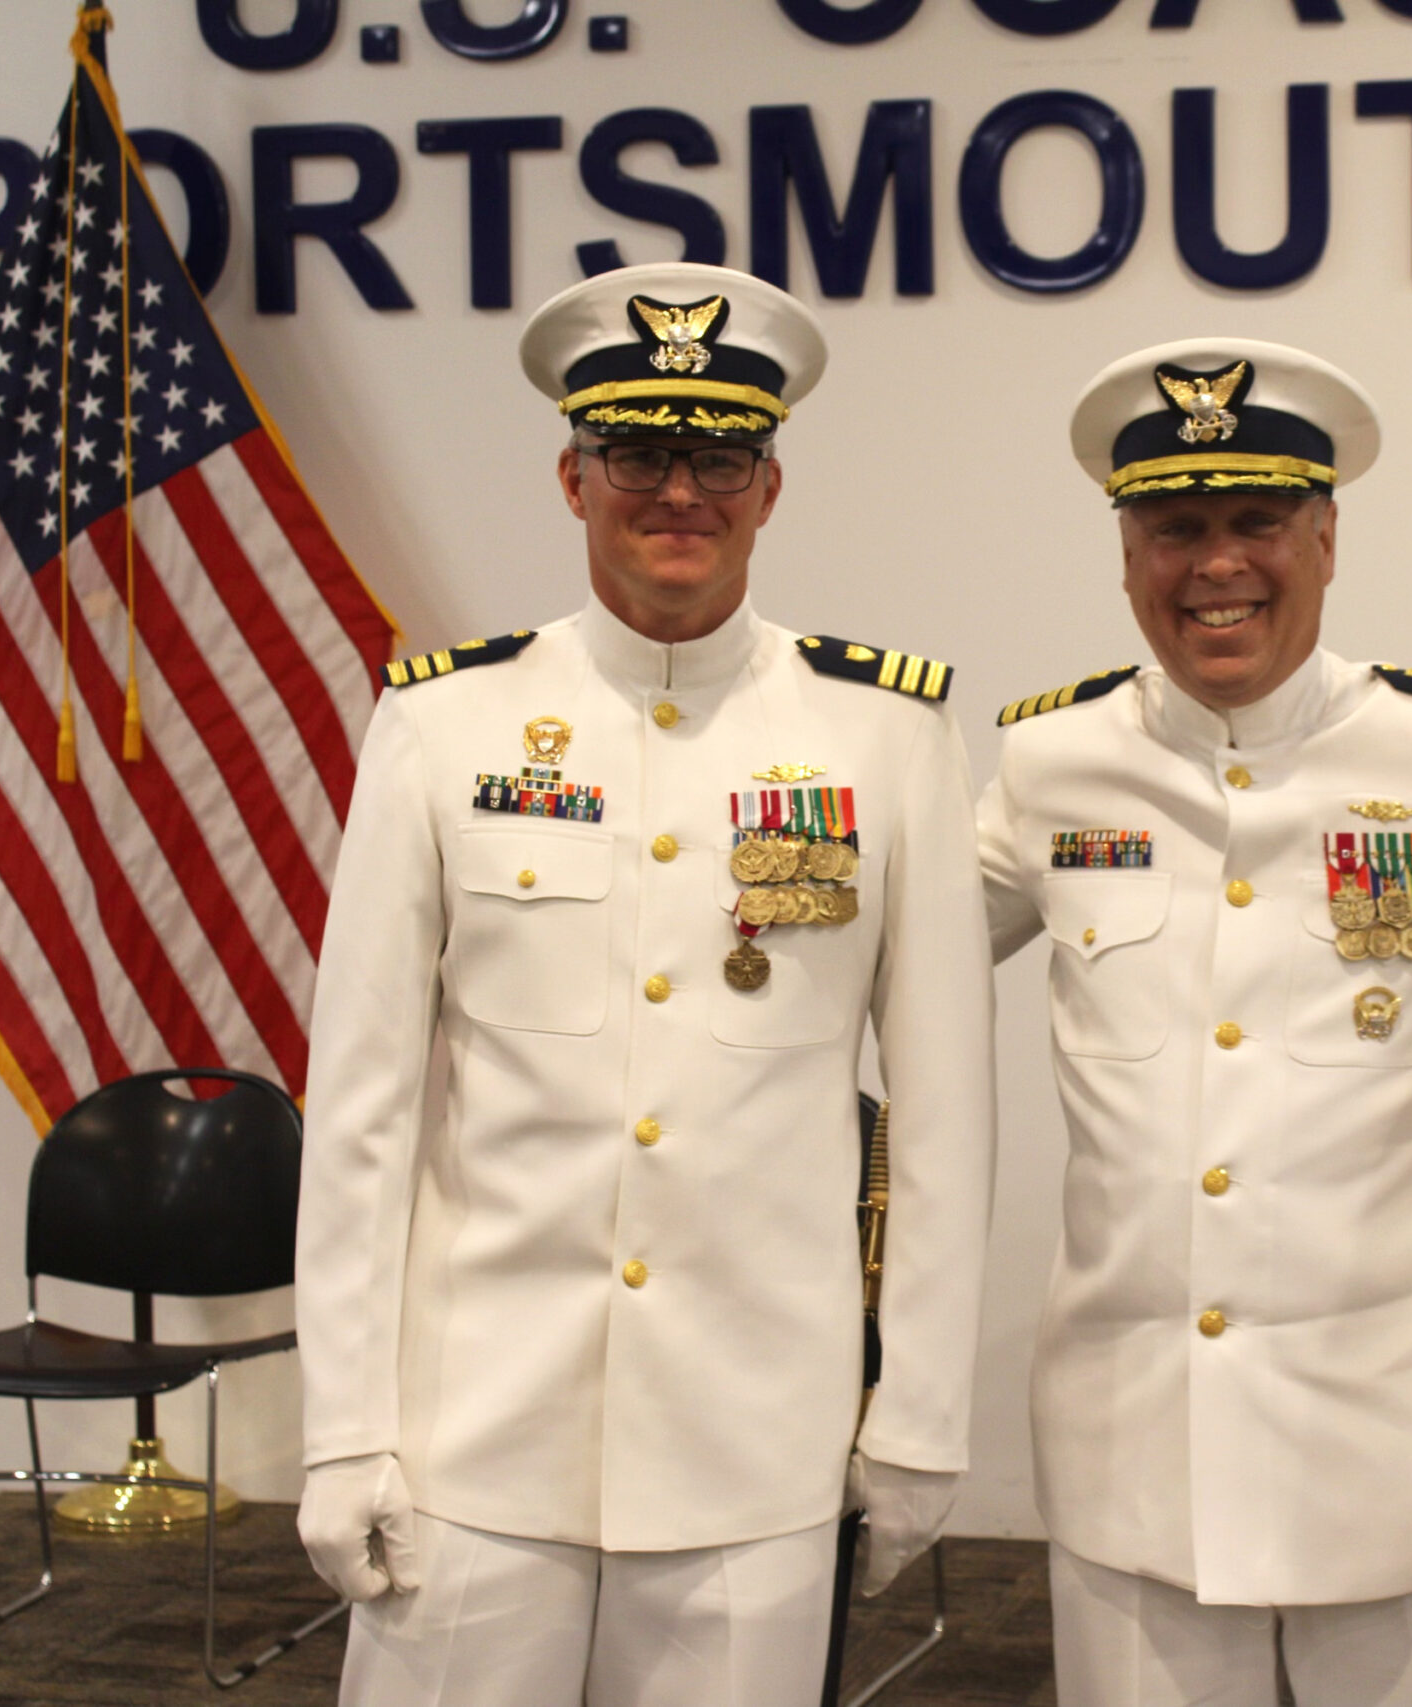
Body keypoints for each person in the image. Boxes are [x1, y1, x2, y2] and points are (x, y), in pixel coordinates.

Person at [291, 262, 996, 1707]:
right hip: (475, 1435)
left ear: (770, 485)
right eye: (637, 452)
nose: (680, 489)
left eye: (719, 453)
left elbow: (941, 1116)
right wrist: (342, 1426)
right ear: (572, 476)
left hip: (754, 1446)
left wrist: (916, 1413)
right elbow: (361, 1112)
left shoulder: (884, 733)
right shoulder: (442, 721)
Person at [978, 338, 1412, 1707]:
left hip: (1396, 1453)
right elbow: (867, 955)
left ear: (1325, 535)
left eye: (1256, 522)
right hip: (1135, 1457)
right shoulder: (1053, 765)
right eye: (1174, 528)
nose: (1217, 564)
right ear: (1125, 550)